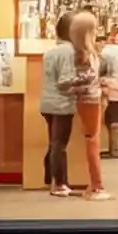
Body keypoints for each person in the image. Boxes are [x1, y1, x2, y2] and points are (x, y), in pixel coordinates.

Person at [67, 12, 111, 201]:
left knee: (93, 140)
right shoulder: (83, 53)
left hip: (90, 98)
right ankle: (96, 185)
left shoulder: (84, 52)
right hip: (89, 100)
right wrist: (96, 81)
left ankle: (95, 185)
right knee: (93, 141)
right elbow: (83, 79)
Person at [40, 12, 76, 197]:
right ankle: (59, 183)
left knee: (53, 143)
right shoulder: (69, 52)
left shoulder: (50, 52)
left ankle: (52, 179)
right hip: (62, 103)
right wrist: (82, 84)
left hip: (47, 103)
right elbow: (65, 81)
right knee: (59, 144)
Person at [99, 35, 118, 158]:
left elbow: (101, 72)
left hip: (111, 93)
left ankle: (116, 149)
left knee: (113, 122)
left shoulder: (106, 54)